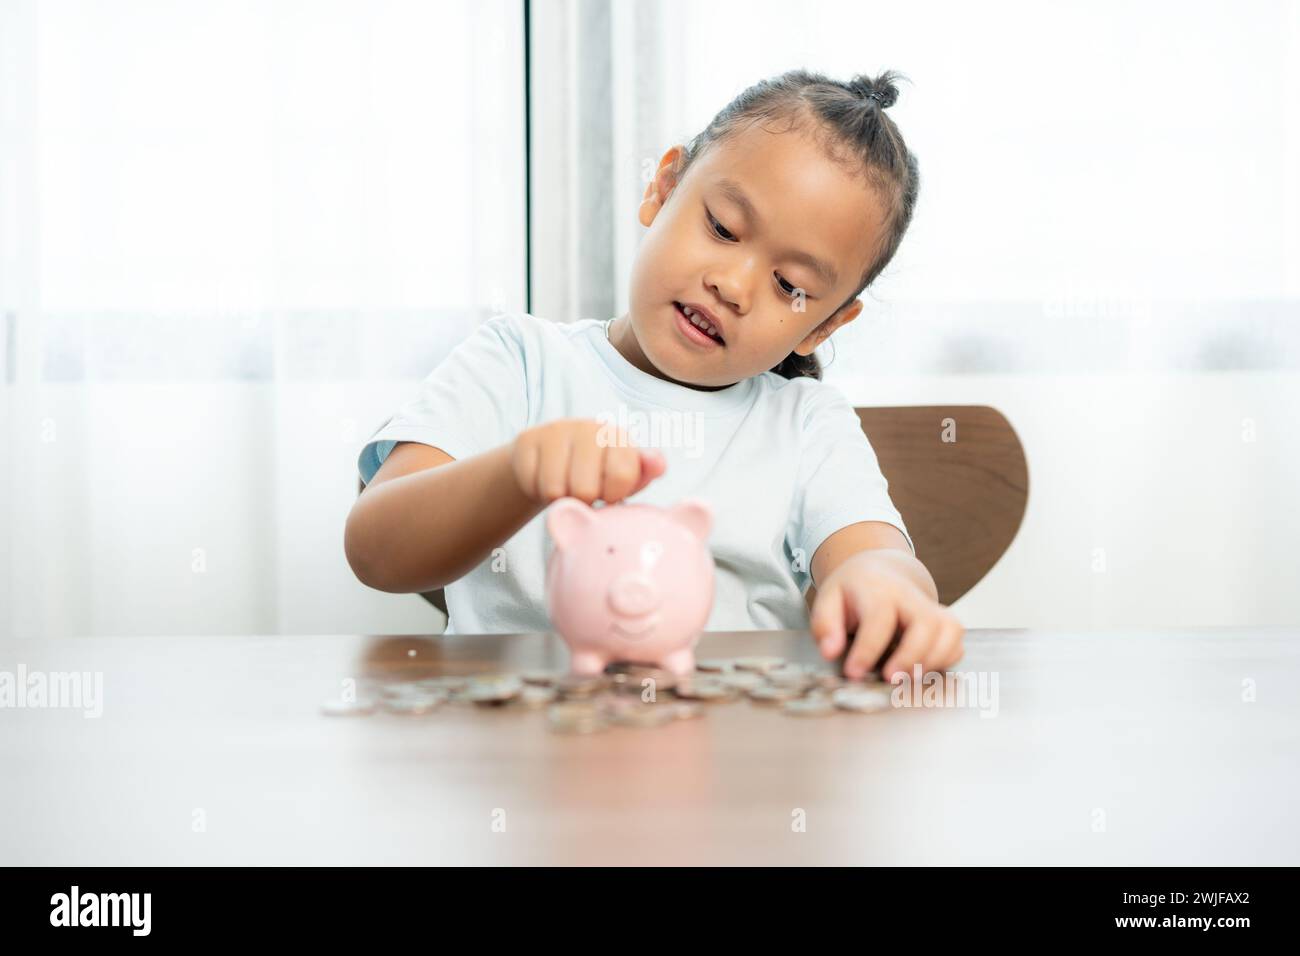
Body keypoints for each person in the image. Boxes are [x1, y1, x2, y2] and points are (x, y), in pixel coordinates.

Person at [345, 69, 964, 681]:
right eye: (722, 228)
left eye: (790, 287)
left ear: (821, 326)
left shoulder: (808, 425)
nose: (733, 285)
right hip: (516, 761)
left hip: (731, 762)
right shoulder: (520, 362)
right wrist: (515, 474)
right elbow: (377, 550)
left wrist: (882, 582)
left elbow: (876, 556)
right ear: (663, 188)